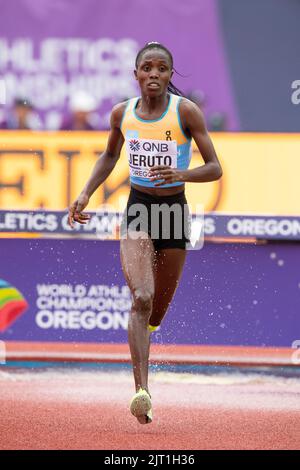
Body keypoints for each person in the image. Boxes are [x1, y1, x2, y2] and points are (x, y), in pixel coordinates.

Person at [68, 42, 222, 424]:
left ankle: (148, 333)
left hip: (173, 211)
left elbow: (216, 168)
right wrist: (85, 192)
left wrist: (181, 174)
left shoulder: (185, 112)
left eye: (162, 69)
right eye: (147, 68)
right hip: (138, 208)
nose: (154, 74)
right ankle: (142, 392)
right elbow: (109, 155)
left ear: (170, 75)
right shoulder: (122, 114)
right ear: (135, 74)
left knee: (157, 311)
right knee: (142, 296)